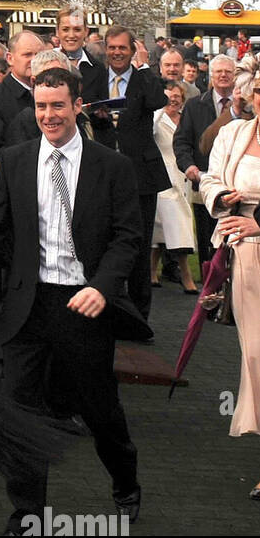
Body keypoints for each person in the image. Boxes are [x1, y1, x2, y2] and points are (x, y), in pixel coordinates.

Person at [0, 67, 145, 534]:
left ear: (77, 105)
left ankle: (125, 478)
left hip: (84, 303)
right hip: (27, 306)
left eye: (57, 105)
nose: (48, 115)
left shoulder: (111, 166)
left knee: (98, 408)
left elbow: (127, 238)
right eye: (40, 106)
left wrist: (101, 287)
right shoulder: (14, 160)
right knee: (21, 409)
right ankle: (28, 512)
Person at [81, 26, 170, 321]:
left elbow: (159, 101)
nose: (117, 52)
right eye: (112, 47)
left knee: (140, 244)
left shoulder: (144, 79)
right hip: (104, 172)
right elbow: (83, 110)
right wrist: (98, 115)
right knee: (105, 241)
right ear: (105, 49)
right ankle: (109, 309)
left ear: (132, 50)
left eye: (122, 48)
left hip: (142, 174)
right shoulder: (94, 78)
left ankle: (139, 315)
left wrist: (144, 67)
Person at [199, 75, 260, 500]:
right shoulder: (235, 132)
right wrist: (221, 197)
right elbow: (208, 178)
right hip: (247, 258)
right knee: (255, 358)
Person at [175, 55, 239, 265]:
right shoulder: (194, 105)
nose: (222, 75)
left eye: (227, 72)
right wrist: (189, 167)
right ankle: (208, 293)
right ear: (211, 75)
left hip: (237, 187)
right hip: (204, 184)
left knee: (235, 244)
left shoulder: (247, 108)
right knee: (206, 243)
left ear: (235, 75)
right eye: (218, 71)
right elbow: (182, 142)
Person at [151, 82, 199, 294]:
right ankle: (169, 274)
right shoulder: (157, 118)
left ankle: (165, 274)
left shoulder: (185, 118)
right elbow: (150, 130)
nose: (174, 100)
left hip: (183, 177)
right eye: (170, 97)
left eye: (178, 96)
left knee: (175, 228)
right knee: (164, 228)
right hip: (162, 179)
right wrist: (160, 108)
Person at [0, 30, 42, 159]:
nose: (34, 60)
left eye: (39, 55)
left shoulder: (50, 92)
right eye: (27, 55)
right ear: (10, 58)